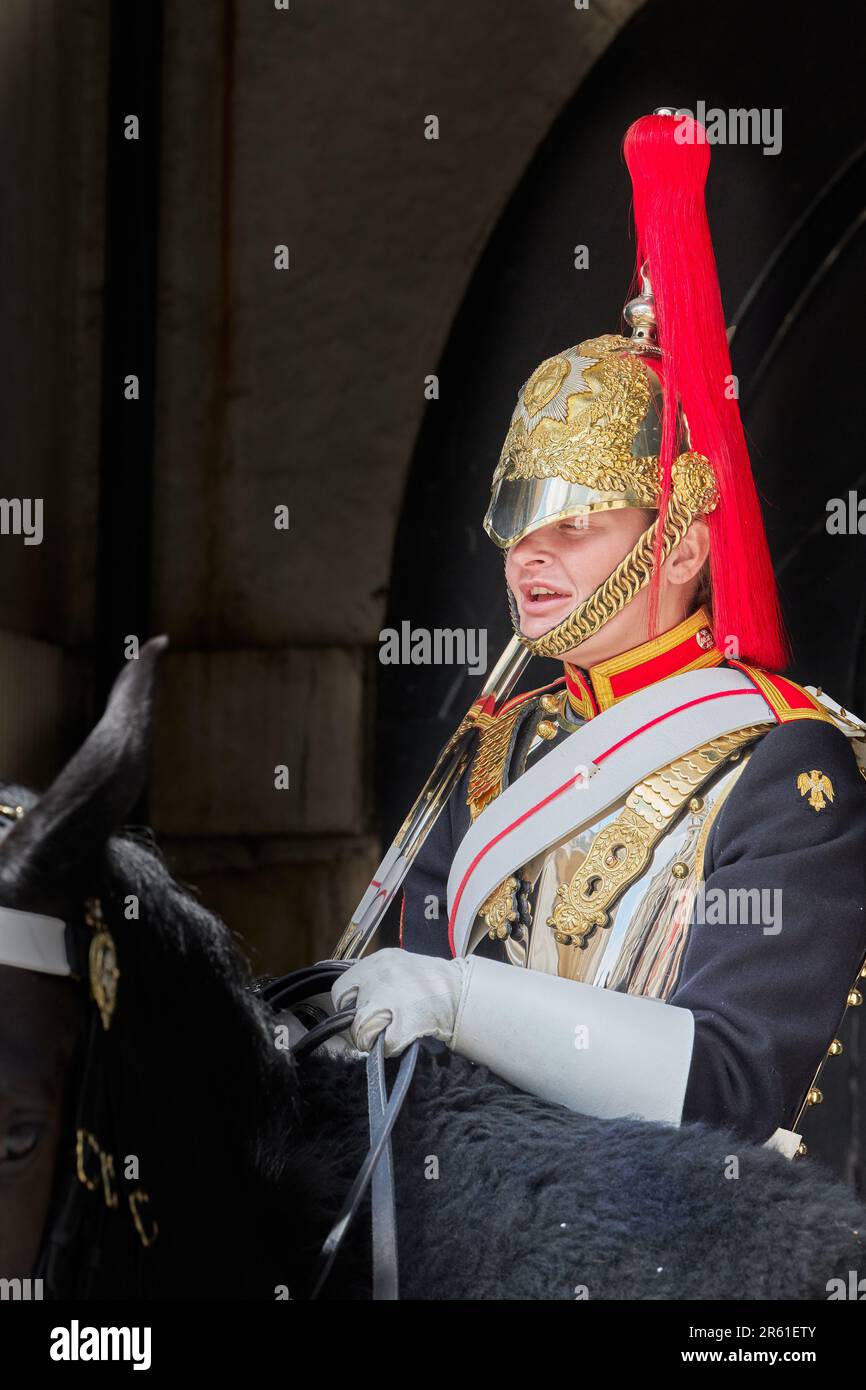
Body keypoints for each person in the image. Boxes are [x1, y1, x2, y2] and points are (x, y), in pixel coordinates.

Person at [332, 111, 866, 1157]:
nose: (530, 557)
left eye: (575, 525)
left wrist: (456, 999)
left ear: (673, 547)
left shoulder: (784, 767)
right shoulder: (493, 751)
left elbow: (729, 1084)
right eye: (517, 524)